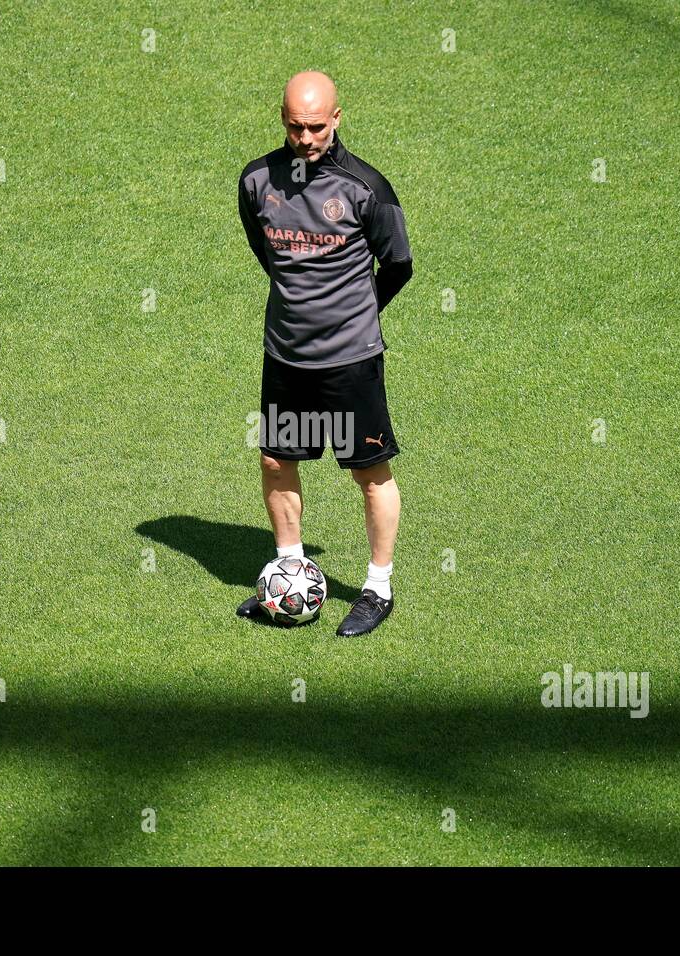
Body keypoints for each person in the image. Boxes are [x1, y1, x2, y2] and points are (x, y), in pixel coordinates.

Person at [235, 70, 414, 636]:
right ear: (282, 120)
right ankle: (287, 575)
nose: (306, 137)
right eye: (295, 126)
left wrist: (356, 314)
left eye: (316, 126)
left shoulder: (365, 187)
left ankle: (377, 589)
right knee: (275, 460)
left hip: (350, 361)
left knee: (368, 472)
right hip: (286, 354)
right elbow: (265, 250)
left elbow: (400, 264)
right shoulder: (257, 180)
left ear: (337, 118)